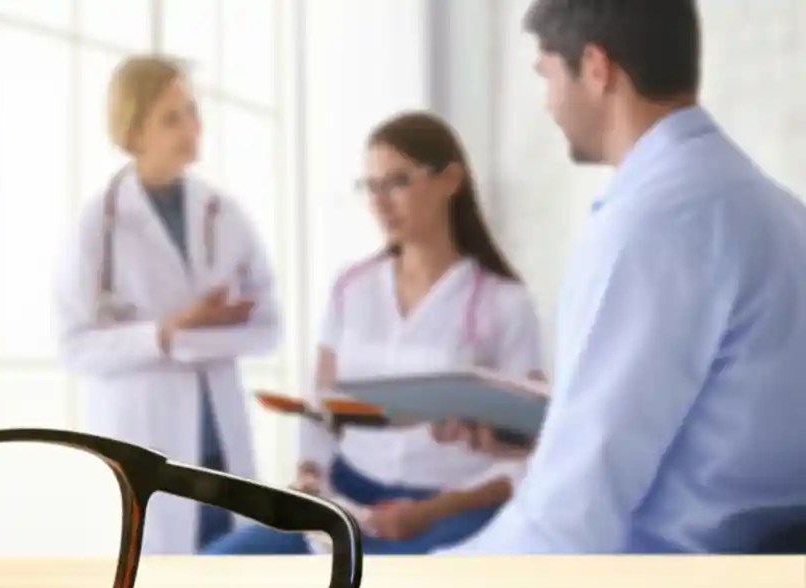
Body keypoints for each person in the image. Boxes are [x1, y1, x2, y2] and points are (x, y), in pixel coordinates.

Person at [435, 0, 806, 554]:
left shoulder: (652, 222)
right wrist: (549, 432)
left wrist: (422, 581)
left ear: (595, 67)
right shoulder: (776, 209)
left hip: (663, 587)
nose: (548, 103)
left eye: (547, 76)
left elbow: (569, 524)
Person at [202, 111, 545, 555]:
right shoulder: (352, 287)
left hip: (452, 510)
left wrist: (429, 512)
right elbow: (319, 404)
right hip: (348, 498)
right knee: (222, 561)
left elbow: (530, 450)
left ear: (450, 180)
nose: (380, 202)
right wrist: (310, 475)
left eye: (398, 182)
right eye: (371, 186)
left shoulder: (504, 302)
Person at [53, 55, 281, 555]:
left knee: (233, 568)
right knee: (163, 577)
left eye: (192, 111)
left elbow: (270, 326)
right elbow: (75, 346)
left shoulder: (223, 213)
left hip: (219, 439)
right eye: (171, 118)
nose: (192, 127)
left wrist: (204, 330)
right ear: (134, 131)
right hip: (147, 434)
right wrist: (164, 333)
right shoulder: (99, 223)